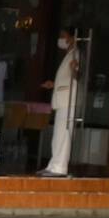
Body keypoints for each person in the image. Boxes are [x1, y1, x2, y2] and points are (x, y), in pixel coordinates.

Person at [39, 28, 80, 177]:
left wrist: (75, 69)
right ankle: (53, 165)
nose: (61, 39)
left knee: (64, 134)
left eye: (63, 36)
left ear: (72, 37)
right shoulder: (69, 54)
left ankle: (60, 168)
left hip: (69, 101)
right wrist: (54, 84)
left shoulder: (76, 54)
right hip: (62, 100)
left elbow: (77, 75)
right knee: (58, 135)